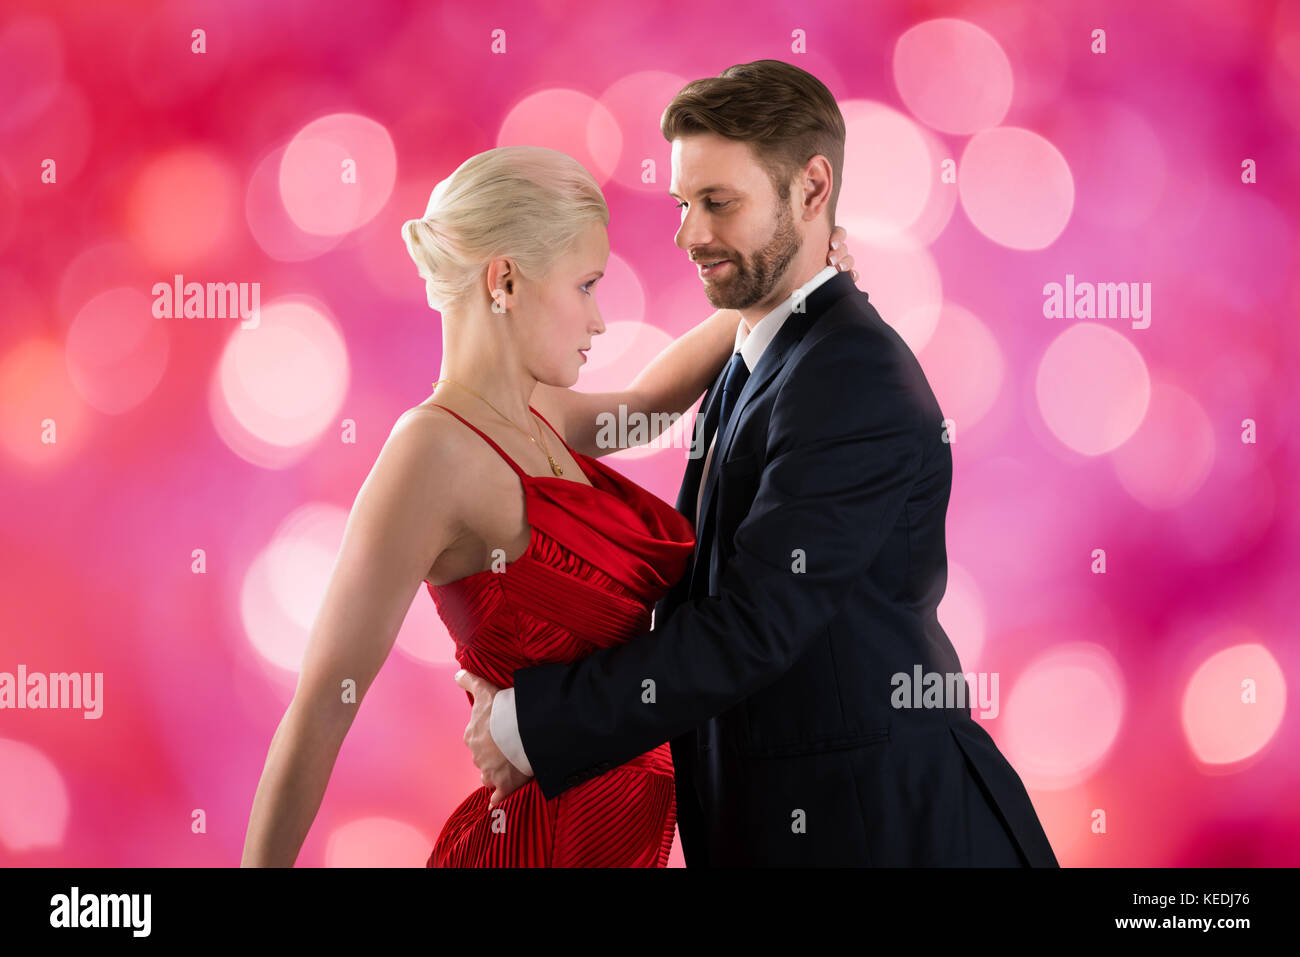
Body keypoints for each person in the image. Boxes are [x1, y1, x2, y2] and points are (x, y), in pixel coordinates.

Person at [458, 59, 1060, 867]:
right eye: (683, 203)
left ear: (812, 191)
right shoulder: (767, 349)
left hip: (886, 833)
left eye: (718, 203)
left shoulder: (851, 373)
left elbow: (752, 625)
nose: (687, 235)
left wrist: (530, 724)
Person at [238, 142, 854, 867]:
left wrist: (788, 285)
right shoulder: (430, 454)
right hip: (539, 845)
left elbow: (651, 405)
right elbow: (321, 709)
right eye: (587, 285)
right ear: (503, 280)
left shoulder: (539, 412)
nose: (599, 321)